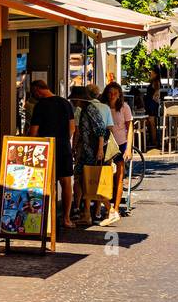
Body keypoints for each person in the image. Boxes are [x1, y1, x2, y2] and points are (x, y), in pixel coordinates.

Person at [27, 79, 77, 228]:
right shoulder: (65, 103)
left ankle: (46, 219)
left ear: (37, 90)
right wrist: (64, 140)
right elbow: (72, 128)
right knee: (66, 182)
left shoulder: (40, 106)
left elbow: (34, 132)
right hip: (63, 147)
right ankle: (66, 218)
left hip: (44, 149)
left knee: (45, 183)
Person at [73, 85, 113, 224]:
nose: (73, 102)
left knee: (92, 181)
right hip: (85, 151)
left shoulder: (90, 109)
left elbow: (101, 129)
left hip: (91, 151)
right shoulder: (84, 110)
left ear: (79, 100)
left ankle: (110, 210)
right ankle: (87, 215)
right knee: (85, 180)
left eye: (74, 100)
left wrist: (100, 150)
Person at [103, 82, 133, 224]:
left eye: (115, 93)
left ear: (119, 94)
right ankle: (108, 208)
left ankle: (116, 207)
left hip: (121, 144)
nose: (112, 96)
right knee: (107, 176)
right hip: (108, 145)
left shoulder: (124, 107)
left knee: (119, 177)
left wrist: (128, 148)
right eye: (110, 93)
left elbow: (130, 128)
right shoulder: (104, 108)